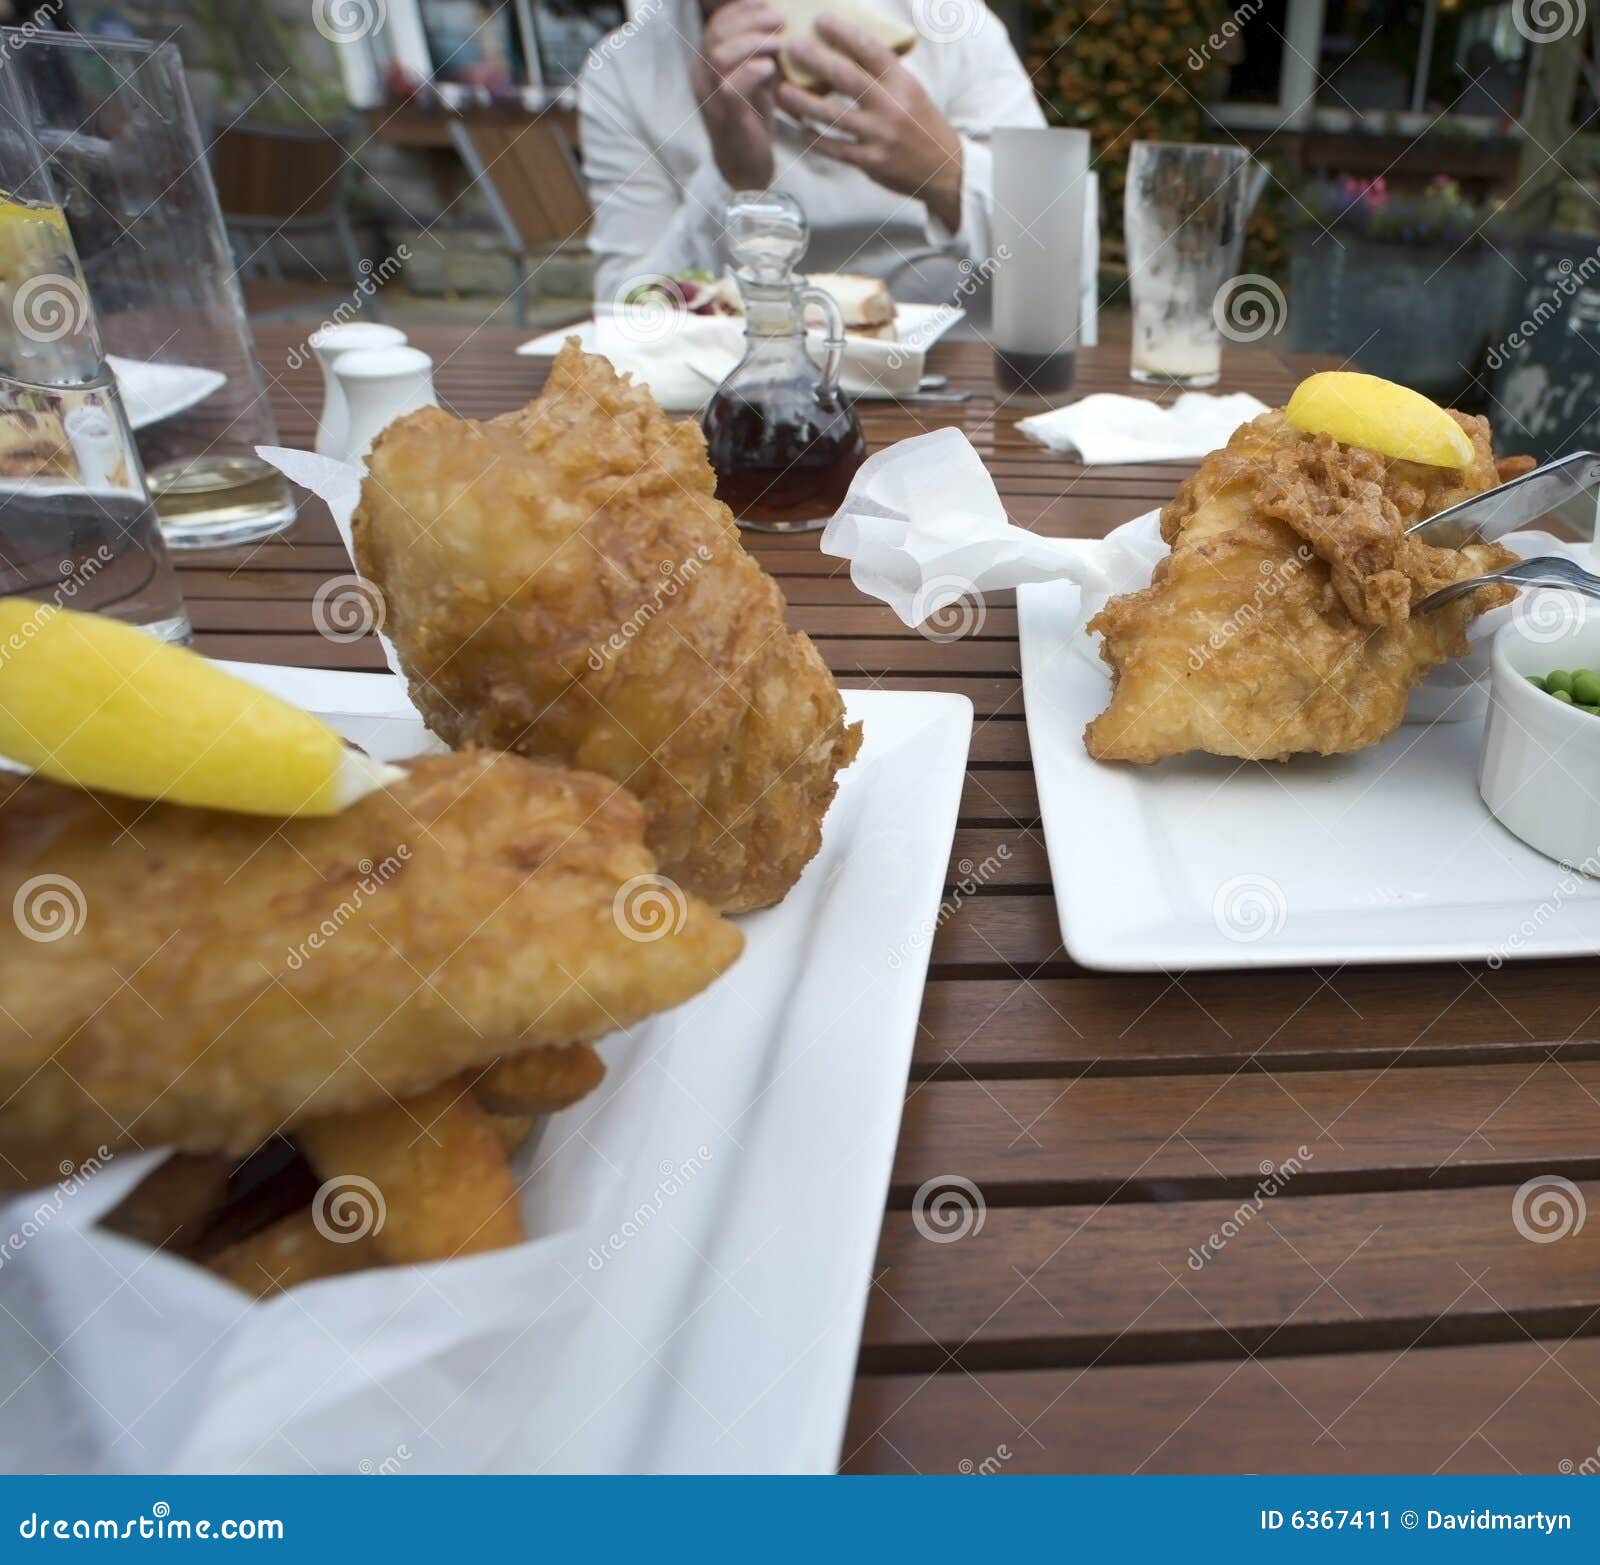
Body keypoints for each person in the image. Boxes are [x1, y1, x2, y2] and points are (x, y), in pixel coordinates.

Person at [578, 0, 1045, 306]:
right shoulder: (623, 69)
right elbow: (629, 317)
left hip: (961, 381)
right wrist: (731, 183)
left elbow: (1057, 253)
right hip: (736, 395)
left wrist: (945, 171)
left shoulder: (946, 20)